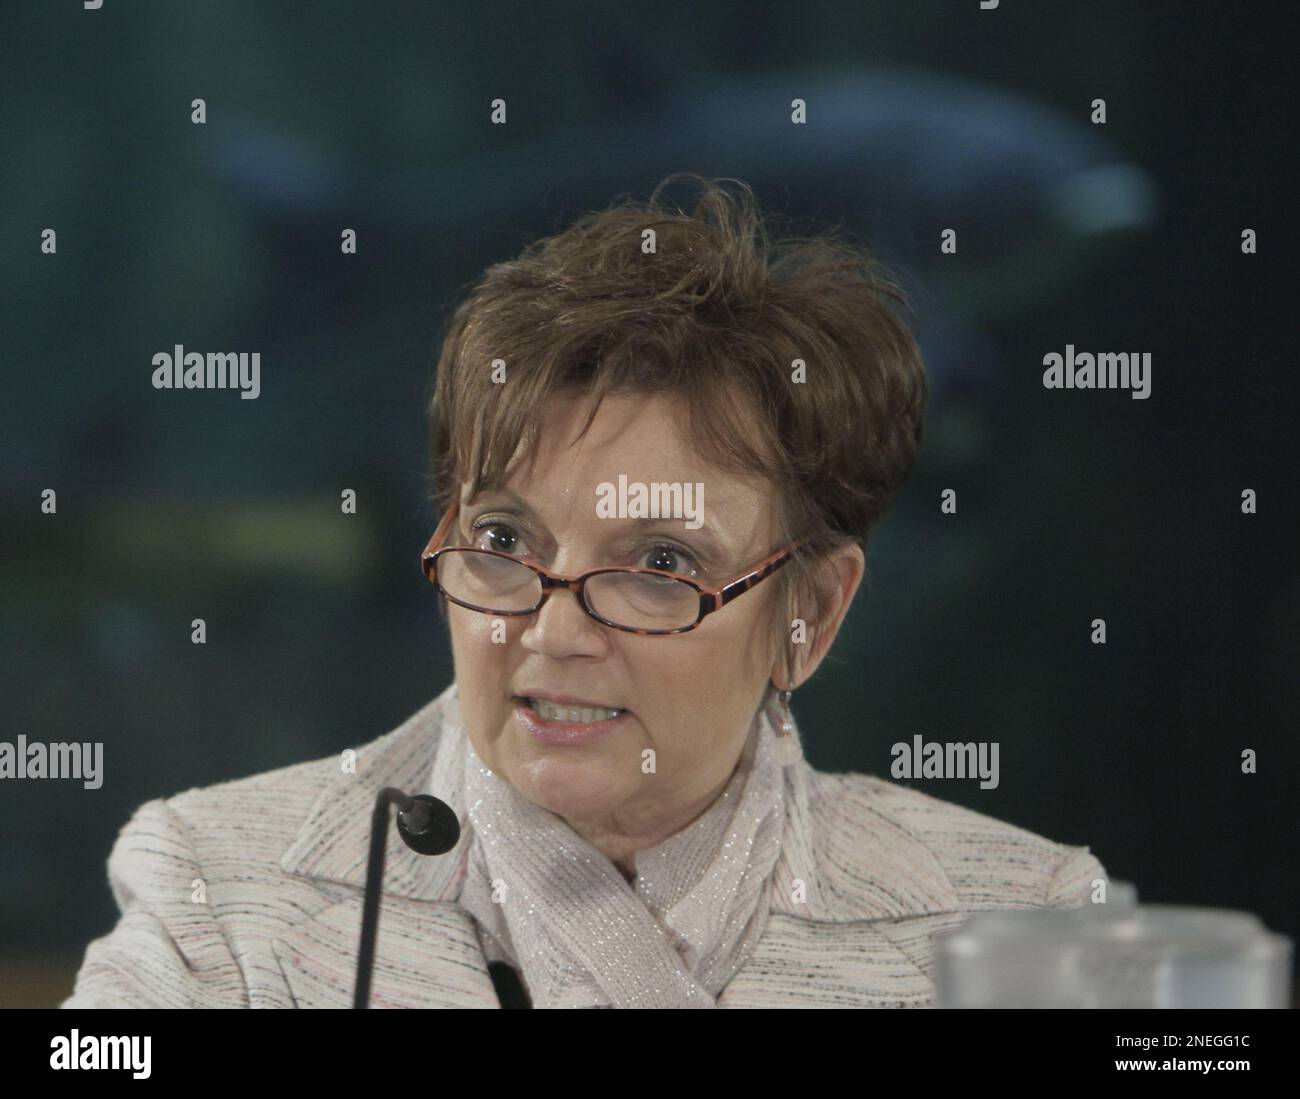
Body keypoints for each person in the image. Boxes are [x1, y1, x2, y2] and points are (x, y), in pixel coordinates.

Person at [63, 174, 1105, 1009]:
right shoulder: (219, 893)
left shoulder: (1011, 928)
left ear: (811, 614)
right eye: (505, 539)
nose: (551, 632)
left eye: (659, 565)